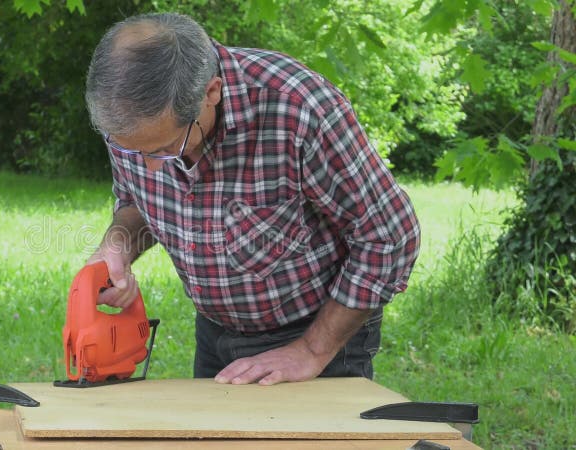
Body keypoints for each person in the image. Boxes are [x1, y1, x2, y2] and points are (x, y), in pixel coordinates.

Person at [83, 12, 420, 386]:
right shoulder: (133, 121)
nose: (150, 168)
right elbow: (136, 200)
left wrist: (311, 350)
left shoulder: (298, 108)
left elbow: (389, 236)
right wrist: (117, 245)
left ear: (211, 93)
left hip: (316, 332)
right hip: (214, 332)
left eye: (165, 148)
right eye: (132, 153)